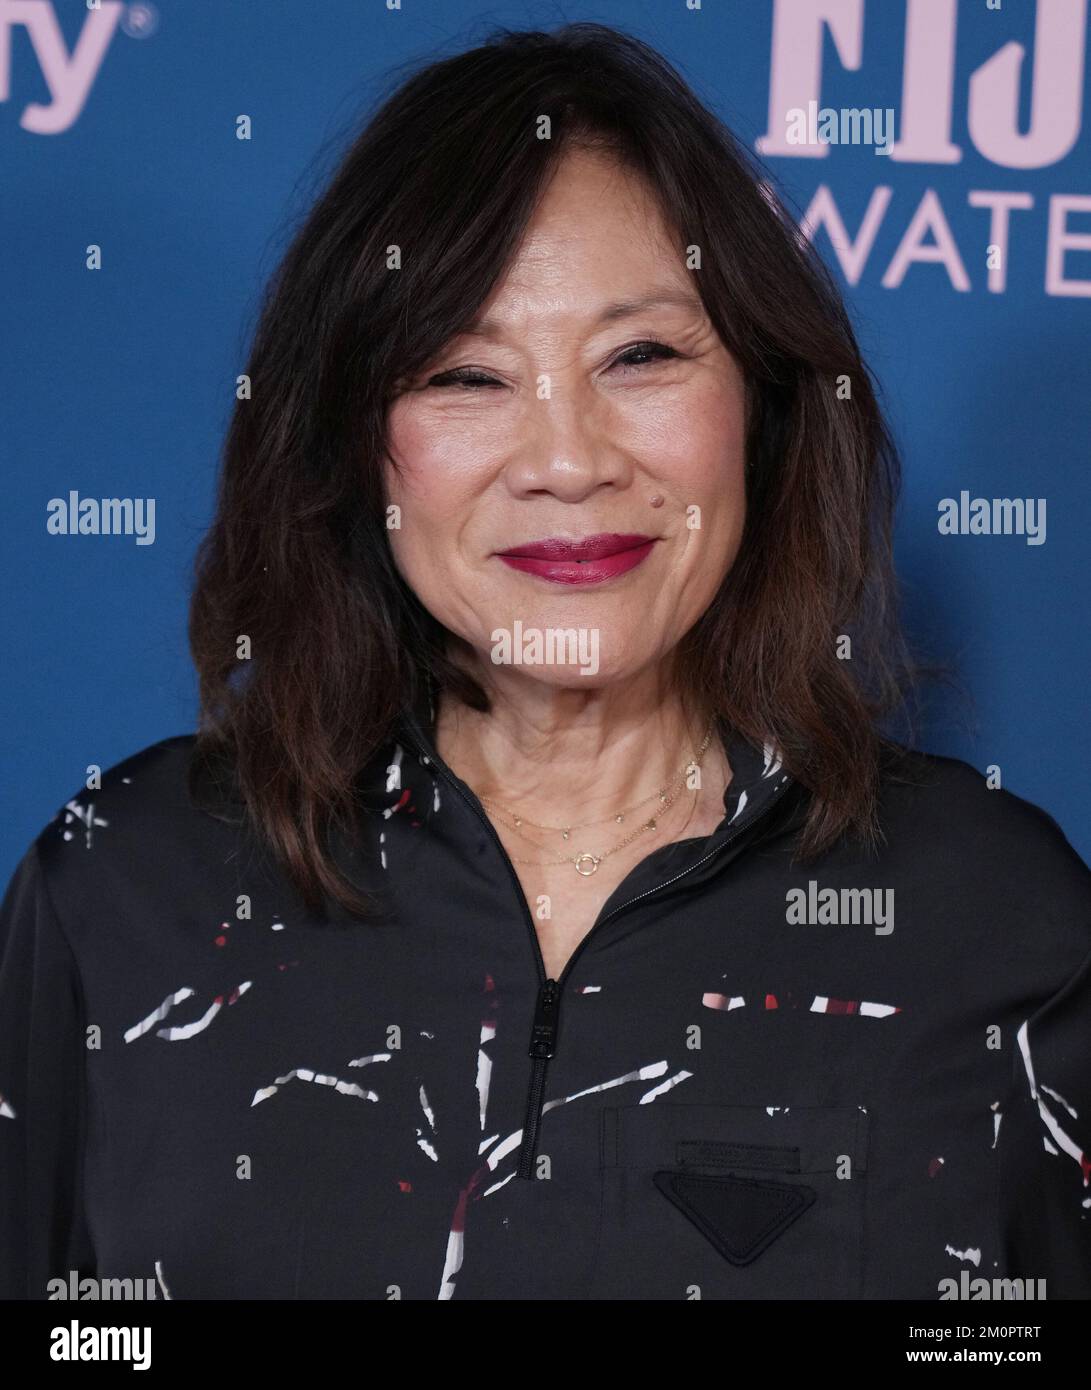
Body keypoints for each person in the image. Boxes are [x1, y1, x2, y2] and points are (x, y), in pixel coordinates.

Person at [2, 22, 1088, 1302]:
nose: (568, 460)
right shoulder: (126, 882)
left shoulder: (996, 916)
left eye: (641, 357)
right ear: (356, 441)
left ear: (763, 402)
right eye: (465, 373)